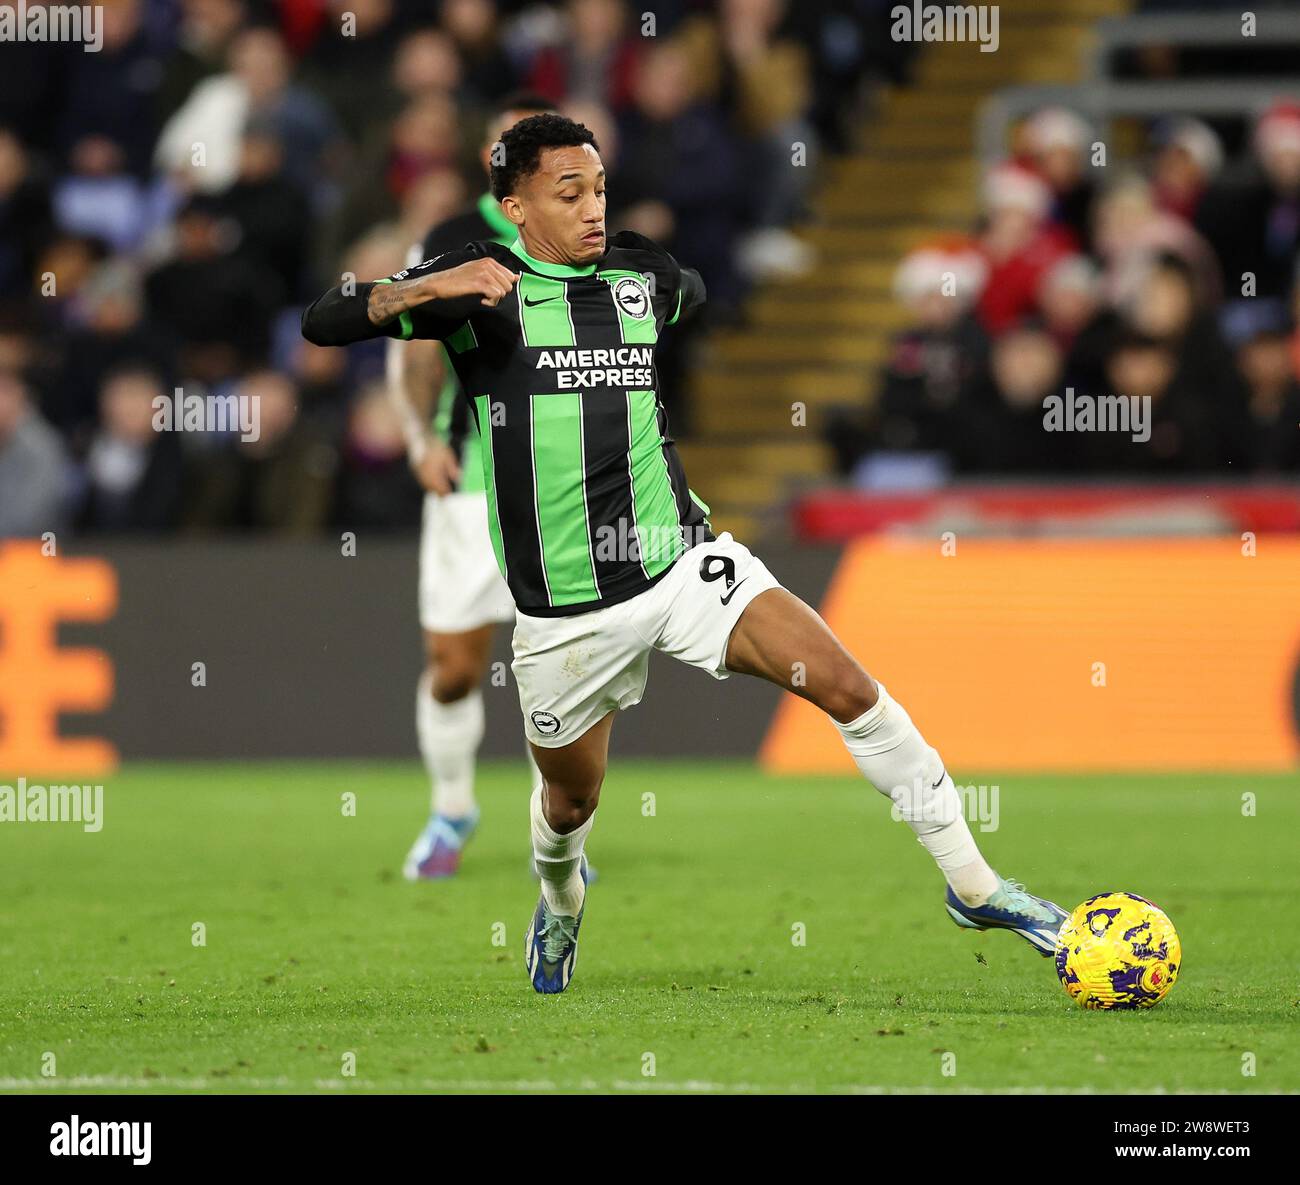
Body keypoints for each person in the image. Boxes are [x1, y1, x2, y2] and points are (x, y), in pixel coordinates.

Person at [302, 113, 1068, 994]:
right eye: (568, 193)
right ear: (515, 205)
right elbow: (325, 322)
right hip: (565, 612)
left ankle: (975, 884)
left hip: (682, 563)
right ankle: (559, 903)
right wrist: (416, 292)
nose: (593, 210)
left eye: (598, 189)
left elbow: (690, 289)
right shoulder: (478, 292)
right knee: (569, 806)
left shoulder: (641, 274)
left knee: (849, 686)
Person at [388, 92, 559, 881]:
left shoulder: (588, 241)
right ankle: (453, 807)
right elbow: (410, 343)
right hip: (470, 481)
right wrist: (420, 438)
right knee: (455, 667)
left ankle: (556, 835)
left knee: (558, 664)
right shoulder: (454, 239)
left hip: (560, 489)